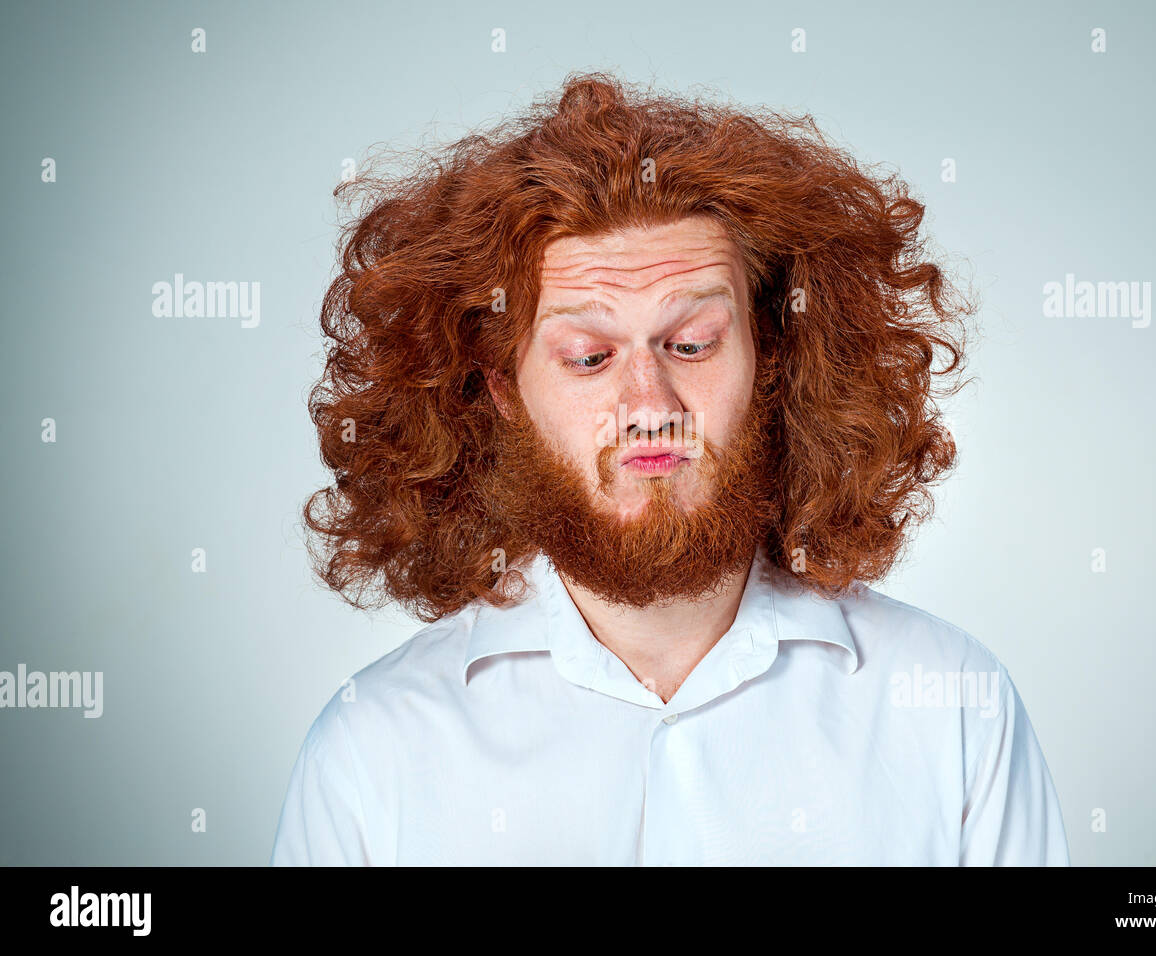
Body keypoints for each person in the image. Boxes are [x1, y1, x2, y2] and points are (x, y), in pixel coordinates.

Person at [271, 71, 1069, 865]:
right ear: (504, 390)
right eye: (589, 358)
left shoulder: (956, 708)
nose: (648, 404)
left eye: (691, 344)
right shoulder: (370, 752)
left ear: (774, 357)